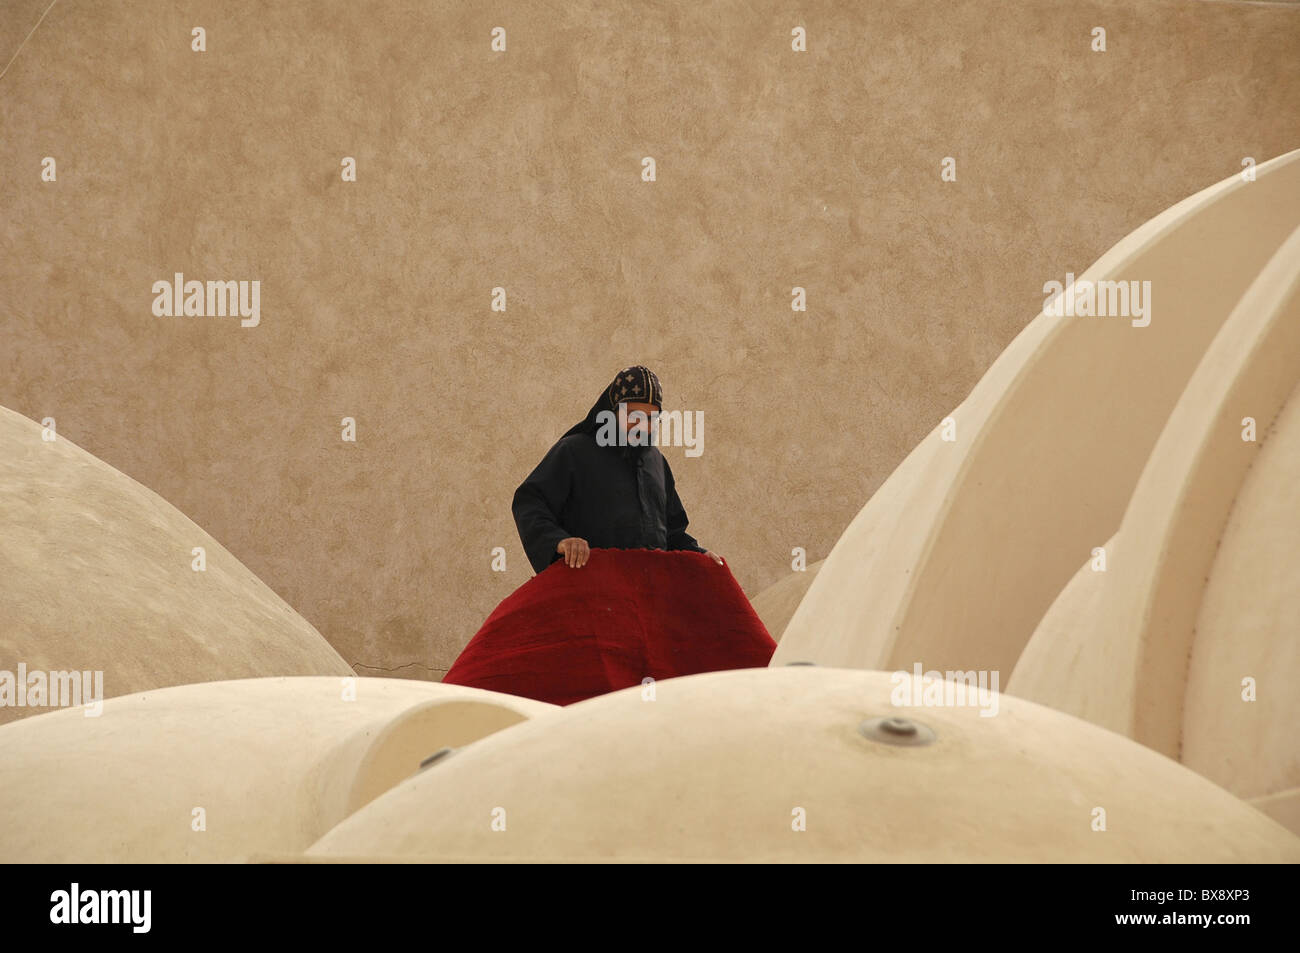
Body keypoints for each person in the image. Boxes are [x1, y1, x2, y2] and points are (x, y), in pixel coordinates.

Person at [512, 365, 723, 572]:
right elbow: (530, 502)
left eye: (651, 418)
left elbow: (672, 533)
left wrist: (698, 554)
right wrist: (560, 541)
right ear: (612, 413)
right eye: (634, 417)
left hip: (647, 595)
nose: (643, 427)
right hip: (589, 590)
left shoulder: (657, 462)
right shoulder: (573, 452)